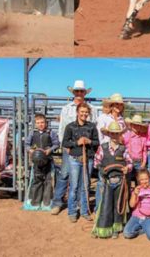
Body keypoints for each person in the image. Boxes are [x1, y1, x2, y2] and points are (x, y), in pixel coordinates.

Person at [52, 80, 98, 215]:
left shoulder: (92, 109)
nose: (79, 93)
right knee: (65, 174)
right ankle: (58, 202)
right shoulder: (66, 108)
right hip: (70, 148)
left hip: (85, 149)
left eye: (81, 91)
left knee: (82, 178)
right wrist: (65, 145)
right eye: (77, 91)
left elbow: (94, 126)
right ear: (73, 92)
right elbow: (62, 129)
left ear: (84, 93)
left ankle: (80, 204)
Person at [92, 120, 132, 239]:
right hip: (107, 180)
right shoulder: (102, 148)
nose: (114, 136)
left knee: (118, 204)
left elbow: (130, 162)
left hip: (120, 180)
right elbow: (96, 162)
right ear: (108, 134)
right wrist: (101, 168)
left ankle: (116, 228)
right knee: (105, 204)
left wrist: (127, 168)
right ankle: (103, 228)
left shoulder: (123, 149)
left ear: (120, 135)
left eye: (117, 133)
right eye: (112, 133)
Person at [62, 101, 100, 223]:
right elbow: (65, 143)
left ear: (88, 113)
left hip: (87, 159)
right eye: (82, 111)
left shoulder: (92, 127)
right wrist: (76, 143)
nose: (84, 114)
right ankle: (72, 211)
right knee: (74, 186)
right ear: (77, 112)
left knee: (85, 185)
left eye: (86, 112)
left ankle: (84, 211)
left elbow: (96, 142)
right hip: (74, 159)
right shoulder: (70, 126)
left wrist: (89, 141)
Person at [94, 93, 126, 206]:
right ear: (112, 105)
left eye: (120, 104)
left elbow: (124, 138)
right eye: (115, 104)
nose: (118, 106)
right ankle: (99, 207)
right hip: (106, 151)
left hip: (117, 152)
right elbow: (100, 136)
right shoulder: (103, 118)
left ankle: (112, 208)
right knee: (102, 181)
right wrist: (107, 148)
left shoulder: (122, 120)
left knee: (116, 180)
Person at [24, 113, 59, 210]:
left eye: (42, 122)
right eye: (38, 123)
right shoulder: (32, 133)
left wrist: (49, 150)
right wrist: (31, 151)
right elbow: (26, 144)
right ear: (35, 124)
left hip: (48, 160)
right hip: (36, 162)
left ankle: (46, 203)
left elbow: (56, 144)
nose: (40, 124)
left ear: (46, 123)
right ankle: (35, 203)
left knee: (48, 181)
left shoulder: (51, 133)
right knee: (36, 181)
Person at [123, 169, 150, 242]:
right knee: (127, 233)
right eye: (142, 179)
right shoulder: (136, 190)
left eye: (146, 179)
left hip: (149, 218)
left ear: (149, 178)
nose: (144, 181)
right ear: (138, 180)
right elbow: (131, 205)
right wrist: (134, 194)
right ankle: (145, 229)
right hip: (136, 217)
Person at [122, 114, 148, 185]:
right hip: (128, 160)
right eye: (134, 125)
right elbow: (123, 147)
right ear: (131, 125)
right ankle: (127, 195)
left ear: (140, 127)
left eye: (138, 125)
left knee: (139, 180)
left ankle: (138, 195)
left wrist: (144, 162)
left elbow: (144, 151)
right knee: (127, 179)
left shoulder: (143, 138)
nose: (136, 127)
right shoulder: (127, 136)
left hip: (139, 161)